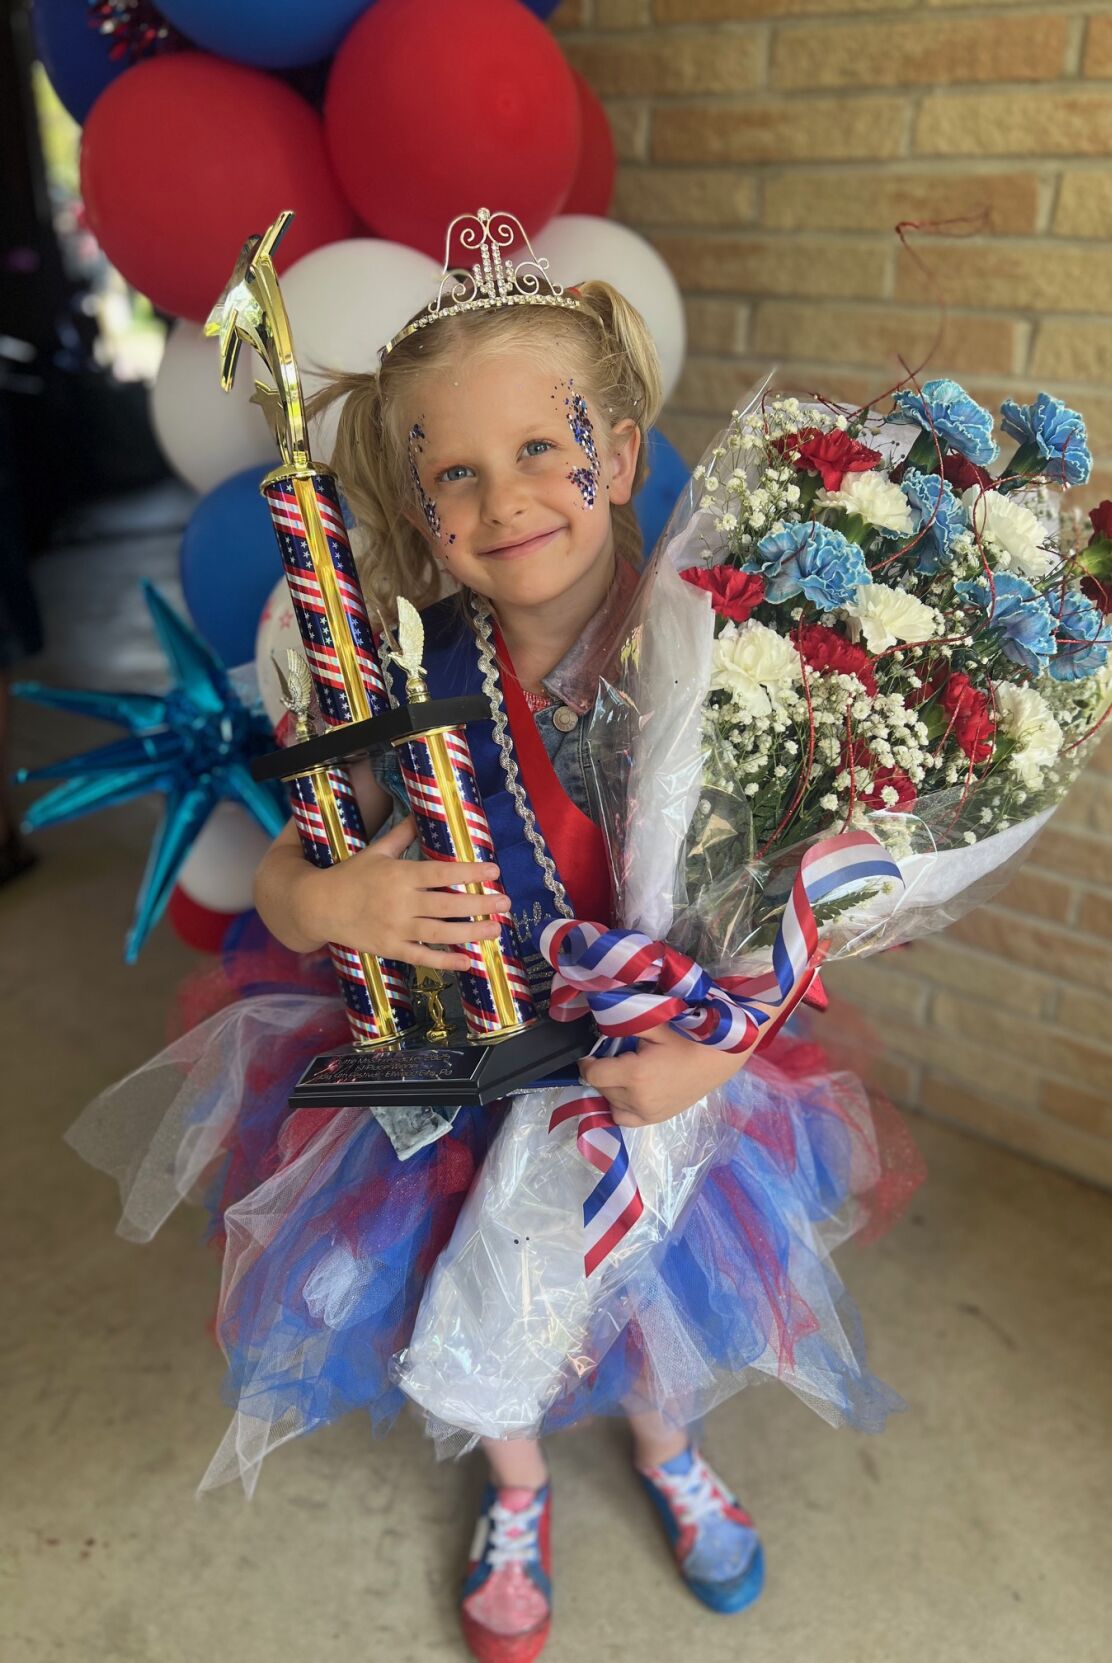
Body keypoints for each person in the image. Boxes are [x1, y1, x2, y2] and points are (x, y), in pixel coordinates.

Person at [69, 213, 920, 1663]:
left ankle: (668, 1451)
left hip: (659, 1073)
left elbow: (797, 906)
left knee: (659, 1300)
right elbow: (288, 862)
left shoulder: (727, 667)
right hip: (464, 1076)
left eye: (540, 447)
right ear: (416, 506)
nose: (503, 497)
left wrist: (718, 1062)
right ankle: (516, 1487)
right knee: (471, 1292)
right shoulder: (397, 674)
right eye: (452, 472)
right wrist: (326, 905)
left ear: (622, 449)